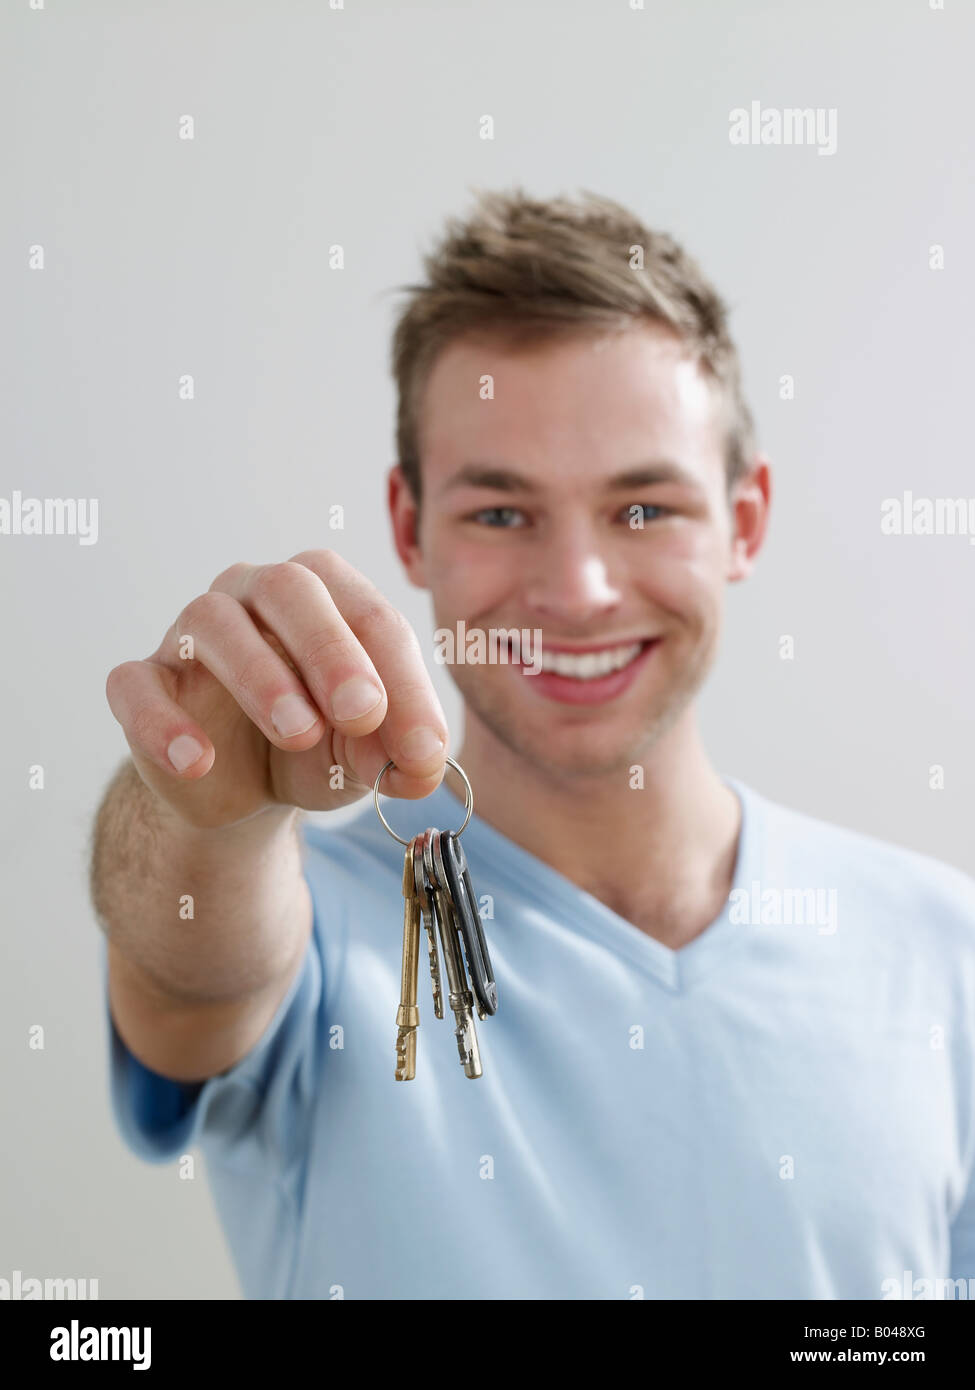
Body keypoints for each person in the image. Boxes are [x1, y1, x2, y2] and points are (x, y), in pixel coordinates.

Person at [90, 187, 975, 1301]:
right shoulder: (309, 931)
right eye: (501, 513)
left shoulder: (948, 953)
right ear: (409, 526)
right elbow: (187, 969)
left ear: (744, 522)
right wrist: (193, 811)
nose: (577, 590)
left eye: (644, 507)